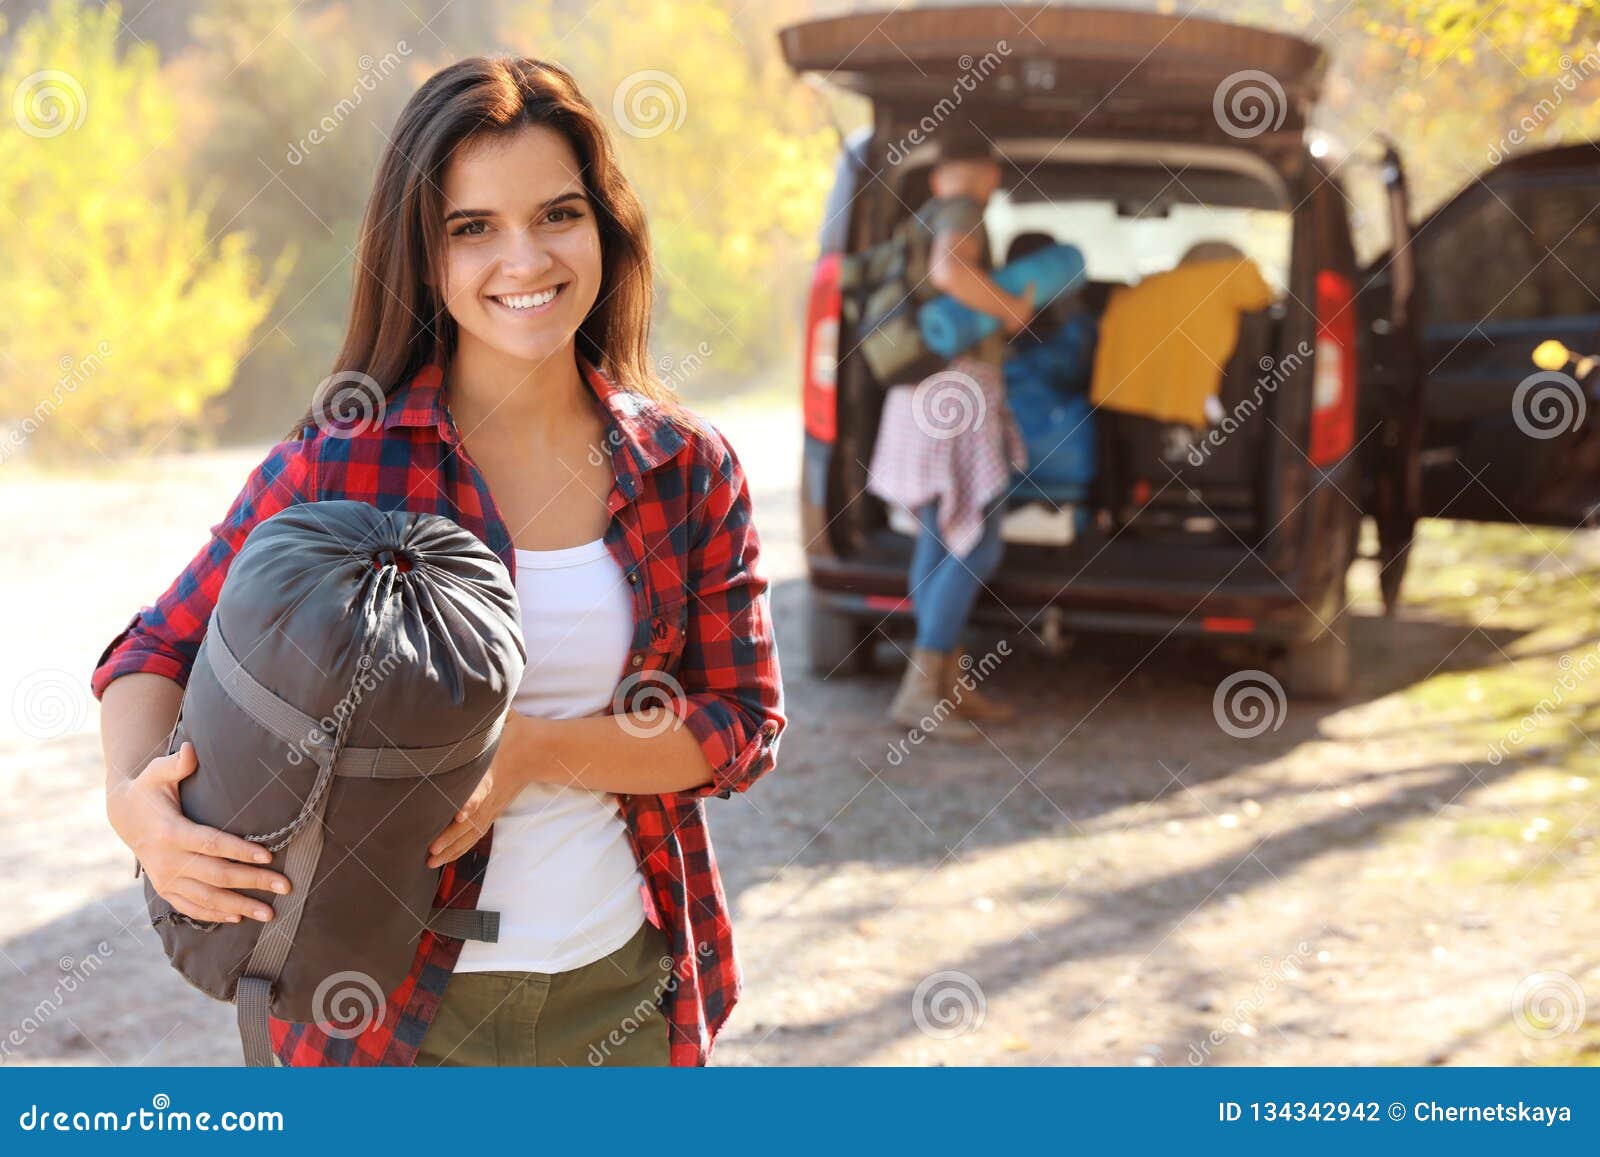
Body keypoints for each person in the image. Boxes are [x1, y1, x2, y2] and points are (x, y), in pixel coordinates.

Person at [91, 56, 784, 1068]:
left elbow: (739, 724)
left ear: (604, 229)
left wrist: (534, 752)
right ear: (423, 255)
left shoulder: (685, 468)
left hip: (625, 990)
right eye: (473, 228)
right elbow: (158, 645)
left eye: (558, 214)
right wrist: (132, 802)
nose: (525, 258)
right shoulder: (345, 456)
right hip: (383, 1020)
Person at [866, 121, 1035, 741]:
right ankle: (921, 691)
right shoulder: (965, 208)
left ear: (935, 174)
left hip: (919, 392)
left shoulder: (927, 210)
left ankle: (946, 683)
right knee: (976, 542)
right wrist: (1012, 310)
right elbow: (949, 271)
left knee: (940, 539)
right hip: (957, 395)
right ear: (990, 176)